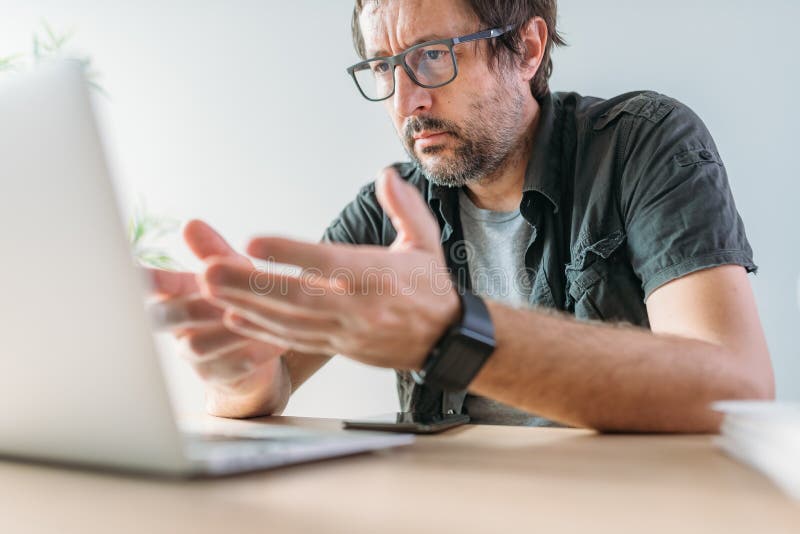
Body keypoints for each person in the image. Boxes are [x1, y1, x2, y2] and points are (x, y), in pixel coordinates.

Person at [148, 0, 774, 432]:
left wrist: (451, 333)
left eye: (432, 55)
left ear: (526, 47)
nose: (407, 100)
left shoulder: (642, 144)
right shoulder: (389, 206)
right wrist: (243, 373)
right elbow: (270, 380)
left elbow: (734, 386)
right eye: (384, 66)